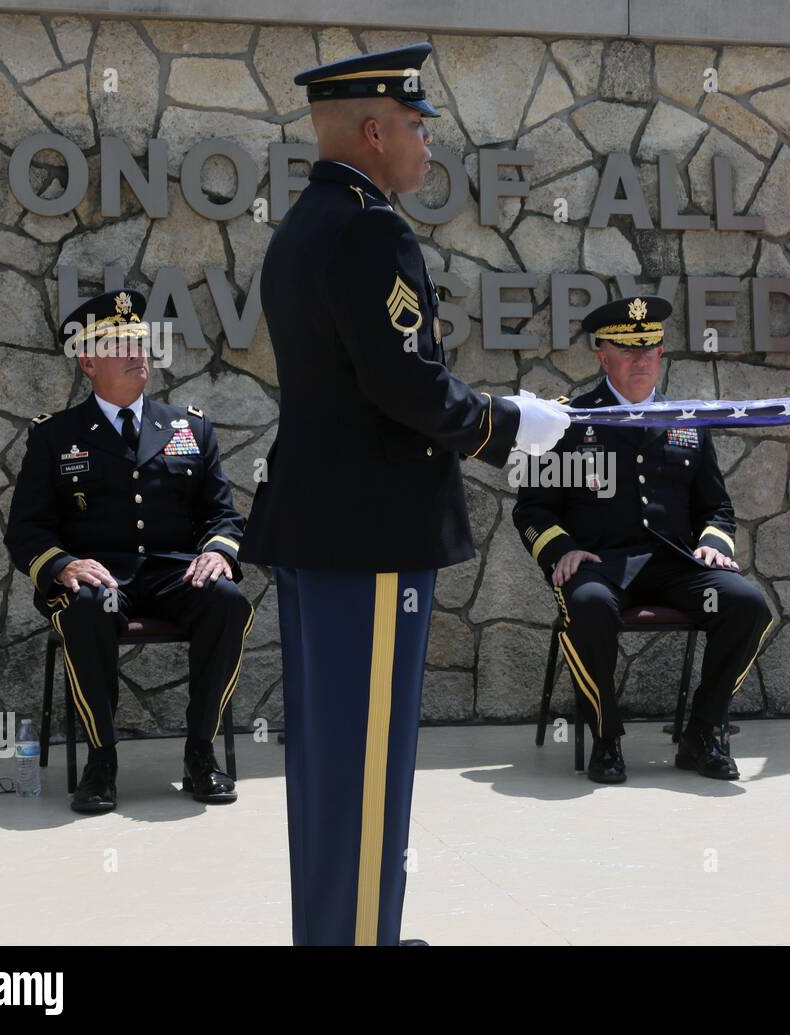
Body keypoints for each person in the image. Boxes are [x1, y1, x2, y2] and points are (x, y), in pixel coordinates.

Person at [240, 43, 569, 946]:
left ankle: (343, 930)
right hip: (370, 534)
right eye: (417, 127)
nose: (429, 145)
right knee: (365, 757)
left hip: (325, 526)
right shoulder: (367, 230)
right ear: (374, 132)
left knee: (330, 759)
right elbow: (404, 383)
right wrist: (507, 423)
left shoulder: (306, 223)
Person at [4, 289, 251, 814]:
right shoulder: (55, 436)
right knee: (87, 605)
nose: (137, 352)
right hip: (102, 577)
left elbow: (222, 514)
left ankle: (200, 754)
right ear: (88, 362)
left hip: (171, 576)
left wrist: (218, 552)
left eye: (140, 341)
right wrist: (64, 564)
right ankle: (101, 761)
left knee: (227, 601)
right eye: (119, 345)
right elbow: (26, 528)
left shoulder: (189, 426)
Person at [513, 295, 773, 785]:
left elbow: (716, 507)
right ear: (602, 356)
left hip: (674, 565)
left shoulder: (684, 419)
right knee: (588, 607)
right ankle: (606, 738)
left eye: (649, 349)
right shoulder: (569, 421)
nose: (640, 360)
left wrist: (715, 545)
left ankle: (704, 732)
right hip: (601, 566)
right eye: (627, 350)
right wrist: (561, 550)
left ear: (661, 353)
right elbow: (532, 508)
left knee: (746, 604)